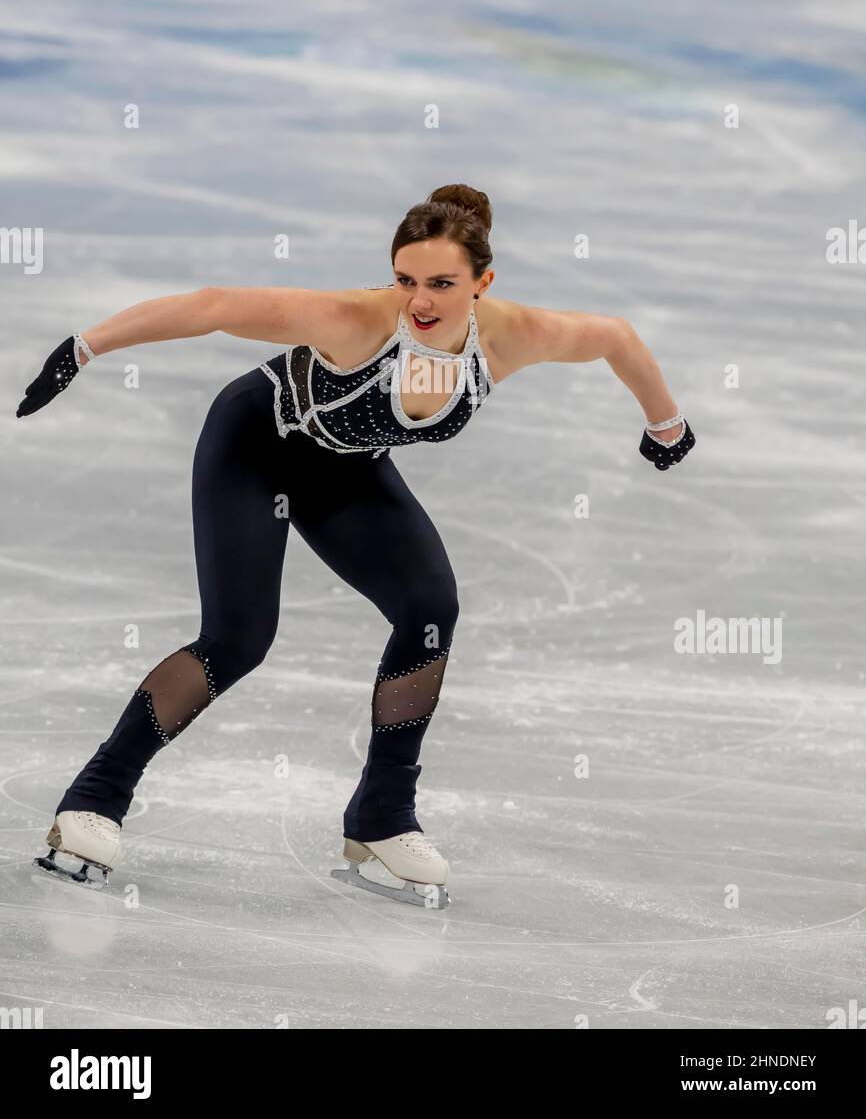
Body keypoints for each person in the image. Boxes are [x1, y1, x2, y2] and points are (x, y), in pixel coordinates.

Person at [17, 184, 695, 908]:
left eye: (442, 283)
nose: (421, 301)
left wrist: (666, 424)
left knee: (430, 607)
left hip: (344, 466)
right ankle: (94, 800)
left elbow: (616, 337)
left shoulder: (511, 336)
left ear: (483, 283)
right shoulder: (354, 320)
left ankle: (382, 816)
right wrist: (86, 346)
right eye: (407, 281)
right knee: (240, 637)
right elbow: (214, 305)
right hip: (256, 446)